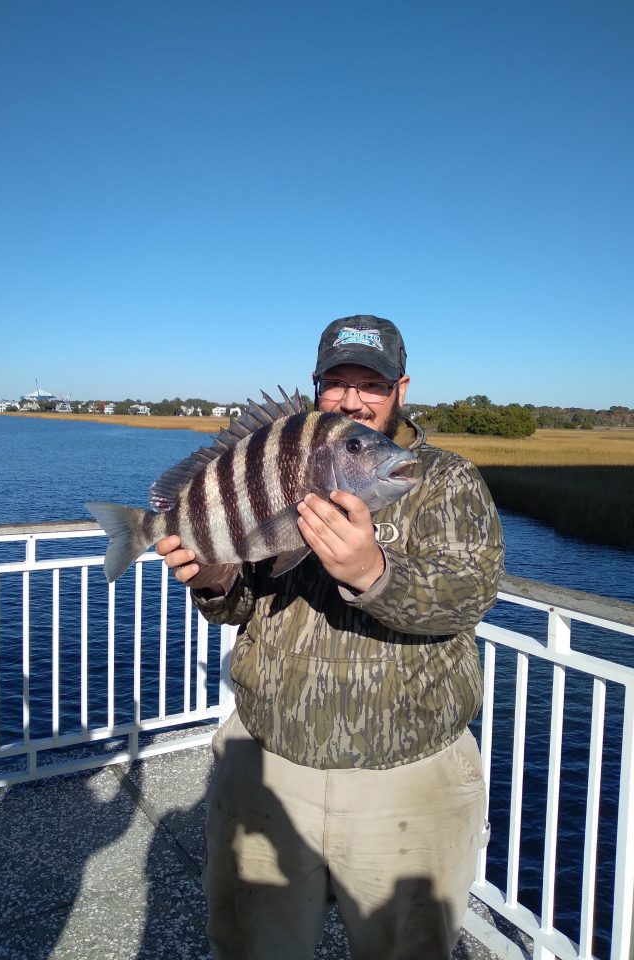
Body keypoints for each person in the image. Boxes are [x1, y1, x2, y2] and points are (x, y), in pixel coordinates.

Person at [156, 314, 504, 960]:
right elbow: (238, 608)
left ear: (402, 388)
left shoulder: (447, 481)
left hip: (407, 788)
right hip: (267, 770)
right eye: (336, 382)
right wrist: (212, 578)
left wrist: (374, 572)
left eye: (370, 384)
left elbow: (470, 592)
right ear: (317, 387)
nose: (352, 399)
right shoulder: (287, 459)